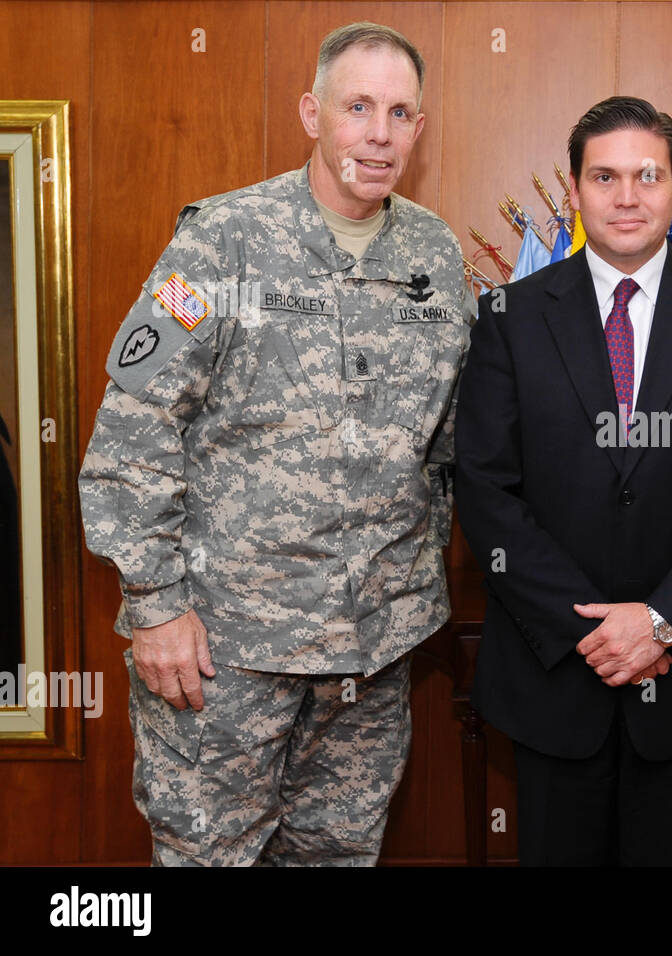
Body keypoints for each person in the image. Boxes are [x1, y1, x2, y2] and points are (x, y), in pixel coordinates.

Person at [78, 22, 471, 866]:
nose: (378, 132)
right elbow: (134, 429)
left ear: (418, 129)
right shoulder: (223, 240)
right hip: (224, 651)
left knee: (340, 853)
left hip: (372, 650)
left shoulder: (437, 257)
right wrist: (156, 606)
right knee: (208, 855)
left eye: (400, 113)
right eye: (357, 106)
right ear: (312, 113)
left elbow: (445, 451)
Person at [454, 96, 672, 866]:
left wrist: (663, 620)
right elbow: (484, 489)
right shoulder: (509, 315)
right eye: (603, 176)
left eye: (648, 176)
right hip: (553, 676)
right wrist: (591, 630)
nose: (627, 196)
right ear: (574, 190)